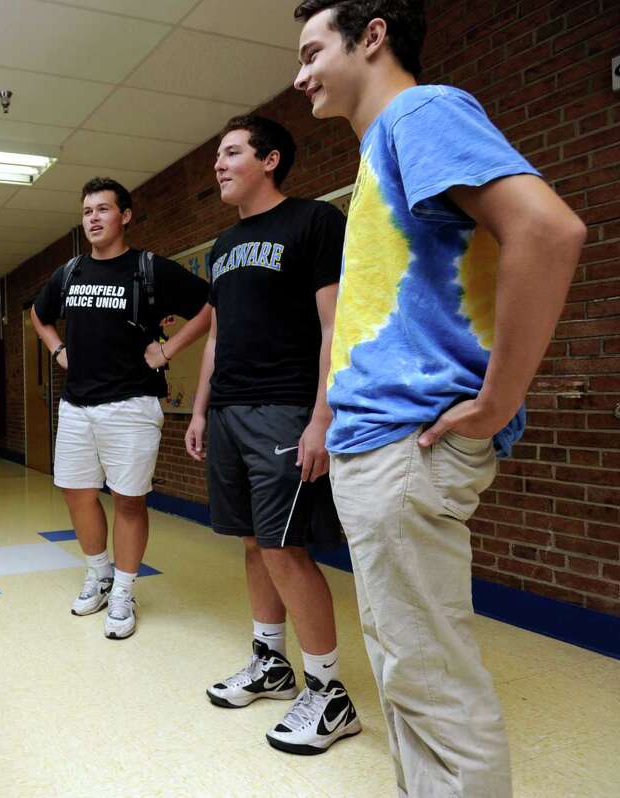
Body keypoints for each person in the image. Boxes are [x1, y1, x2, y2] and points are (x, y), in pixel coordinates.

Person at [292, 0, 586, 793]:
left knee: (430, 682)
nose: (301, 74)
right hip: (377, 444)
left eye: (314, 50)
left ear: (373, 36)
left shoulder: (421, 110)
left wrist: (495, 404)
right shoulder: (379, 148)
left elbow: (549, 232)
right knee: (408, 674)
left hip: (406, 445)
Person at [185, 115, 360, 755]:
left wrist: (323, 415)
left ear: (271, 159)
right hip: (229, 412)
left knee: (287, 549)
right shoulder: (224, 244)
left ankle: (330, 694)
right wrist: (201, 410)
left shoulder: (314, 223)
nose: (218, 165)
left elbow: (334, 325)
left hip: (286, 410)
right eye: (217, 154)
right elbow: (219, 335)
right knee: (256, 545)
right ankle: (272, 664)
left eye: (231, 152)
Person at [30, 177, 210, 639]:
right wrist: (57, 350)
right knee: (77, 492)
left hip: (131, 404)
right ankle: (100, 573)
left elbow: (210, 306)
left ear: (124, 216)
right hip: (76, 406)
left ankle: (126, 590)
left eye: (103, 210)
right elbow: (38, 312)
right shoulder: (70, 272)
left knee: (130, 500)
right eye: (87, 210)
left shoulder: (148, 268)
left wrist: (167, 351)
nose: (93, 218)